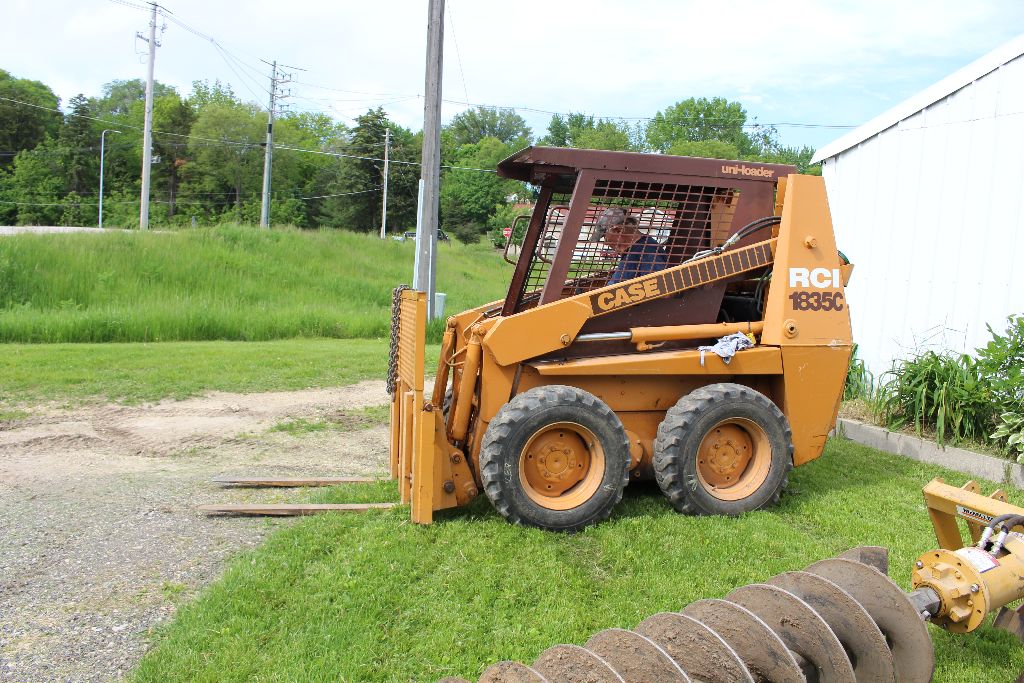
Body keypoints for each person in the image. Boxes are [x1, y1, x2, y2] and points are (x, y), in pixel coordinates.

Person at [593, 207, 669, 285]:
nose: (605, 243)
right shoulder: (633, 251)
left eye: (605, 237)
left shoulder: (647, 251)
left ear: (619, 230)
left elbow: (660, 286)